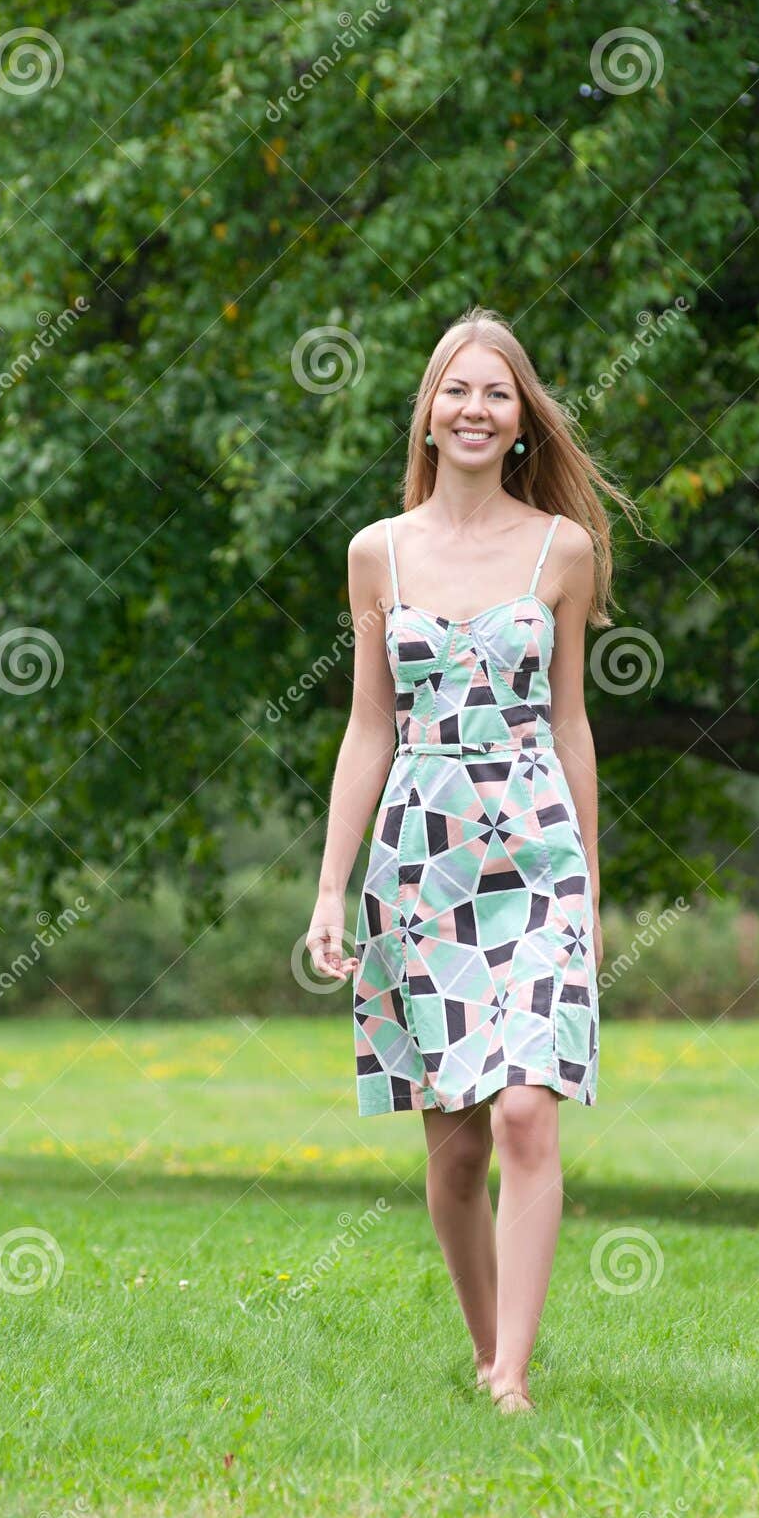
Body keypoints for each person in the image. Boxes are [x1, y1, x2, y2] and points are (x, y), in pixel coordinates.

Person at [308, 306, 639, 1413]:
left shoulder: (562, 551)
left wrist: (590, 884)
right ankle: (485, 1343)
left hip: (534, 851)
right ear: (428, 412)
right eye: (456, 388)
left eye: (496, 393)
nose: (474, 407)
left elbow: (573, 723)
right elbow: (368, 728)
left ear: (521, 423)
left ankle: (511, 1377)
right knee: (453, 1149)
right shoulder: (375, 553)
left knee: (524, 1112)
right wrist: (327, 889)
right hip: (419, 864)